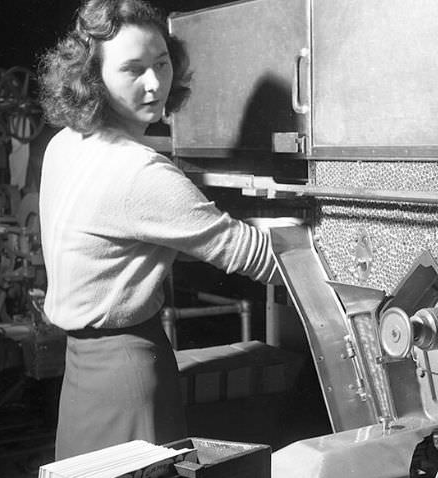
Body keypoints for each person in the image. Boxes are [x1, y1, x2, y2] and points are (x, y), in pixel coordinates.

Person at [37, 0, 276, 460]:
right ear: (93, 77)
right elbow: (256, 256)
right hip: (126, 370)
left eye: (162, 64)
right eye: (133, 70)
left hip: (80, 372)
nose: (154, 84)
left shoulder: (62, 144)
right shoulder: (139, 171)